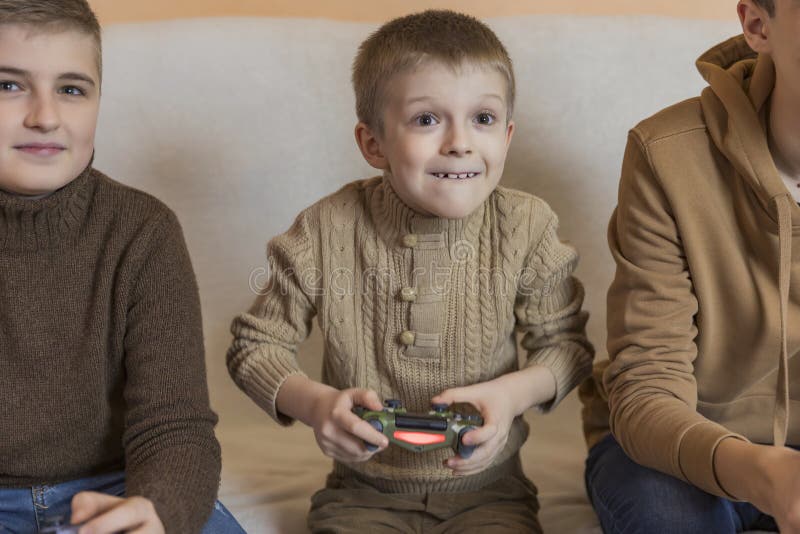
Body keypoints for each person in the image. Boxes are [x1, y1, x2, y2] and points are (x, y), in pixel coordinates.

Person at [227, 9, 594, 533]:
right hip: (363, 493)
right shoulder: (325, 230)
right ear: (373, 143)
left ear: (508, 136)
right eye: (427, 119)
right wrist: (316, 406)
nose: (459, 142)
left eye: (483, 119)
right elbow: (254, 345)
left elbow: (567, 346)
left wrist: (512, 395)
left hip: (490, 492)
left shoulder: (527, 226)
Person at [0, 1, 244, 532]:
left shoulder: (143, 232)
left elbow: (175, 425)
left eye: (71, 89)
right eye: (9, 85)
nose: (45, 115)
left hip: (117, 485)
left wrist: (157, 510)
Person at [580, 0, 800, 532]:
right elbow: (647, 391)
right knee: (669, 516)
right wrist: (764, 474)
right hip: (676, 449)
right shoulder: (667, 155)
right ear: (757, 25)